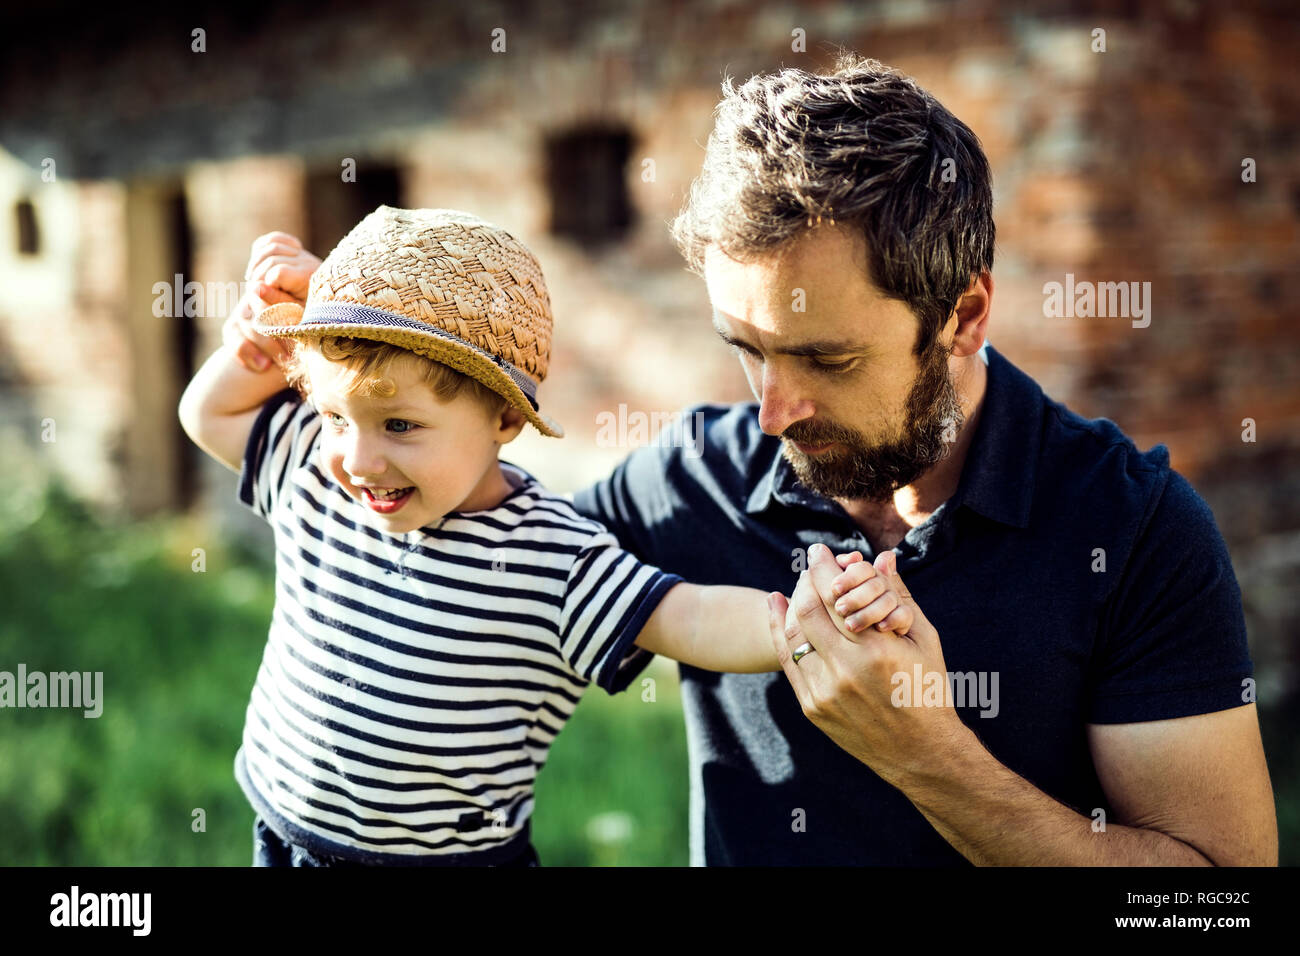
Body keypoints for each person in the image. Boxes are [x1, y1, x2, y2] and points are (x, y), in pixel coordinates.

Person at [179, 204, 896, 866]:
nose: (359, 458)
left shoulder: (547, 553)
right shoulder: (314, 472)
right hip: (286, 834)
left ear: (503, 421)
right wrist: (255, 351)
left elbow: (689, 617)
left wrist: (806, 620)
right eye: (337, 417)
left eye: (400, 425)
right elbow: (206, 417)